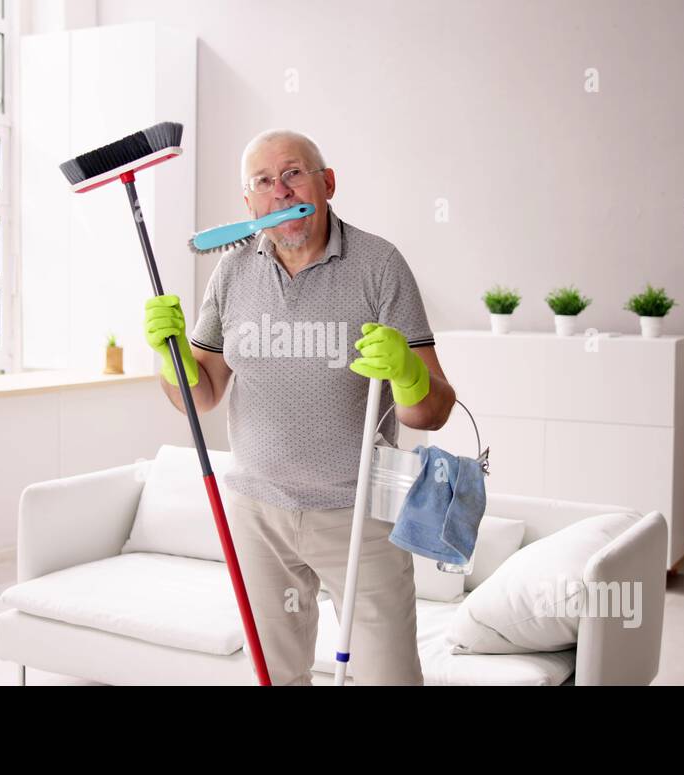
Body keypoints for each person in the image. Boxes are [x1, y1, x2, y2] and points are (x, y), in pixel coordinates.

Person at [142, 129, 456, 685]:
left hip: (359, 514)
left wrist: (408, 375)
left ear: (327, 183)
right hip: (258, 515)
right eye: (264, 181)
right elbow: (203, 395)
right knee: (275, 676)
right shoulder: (233, 270)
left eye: (294, 173)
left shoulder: (380, 264)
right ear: (249, 203)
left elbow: (431, 411)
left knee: (390, 679)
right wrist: (173, 364)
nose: (281, 191)